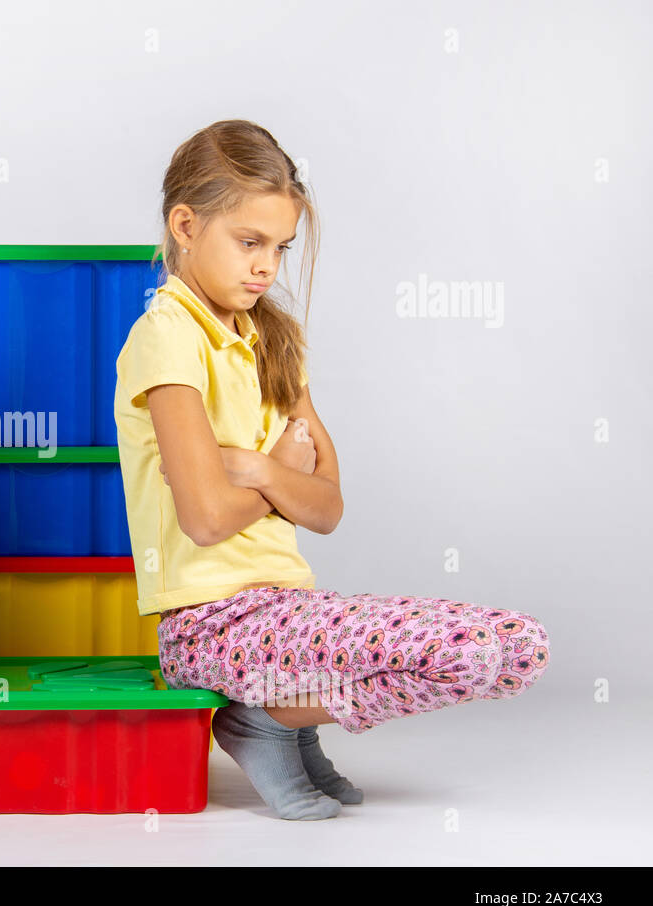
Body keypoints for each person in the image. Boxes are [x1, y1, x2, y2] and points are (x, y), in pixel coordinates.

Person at [114, 121, 550, 821]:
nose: (266, 266)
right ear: (186, 225)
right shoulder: (166, 337)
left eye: (279, 248)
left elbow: (325, 508)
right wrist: (282, 477)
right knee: (467, 654)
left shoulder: (271, 339)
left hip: (288, 606)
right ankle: (269, 719)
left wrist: (256, 467)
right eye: (249, 241)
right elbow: (203, 519)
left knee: (520, 647)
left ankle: (278, 716)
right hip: (207, 625)